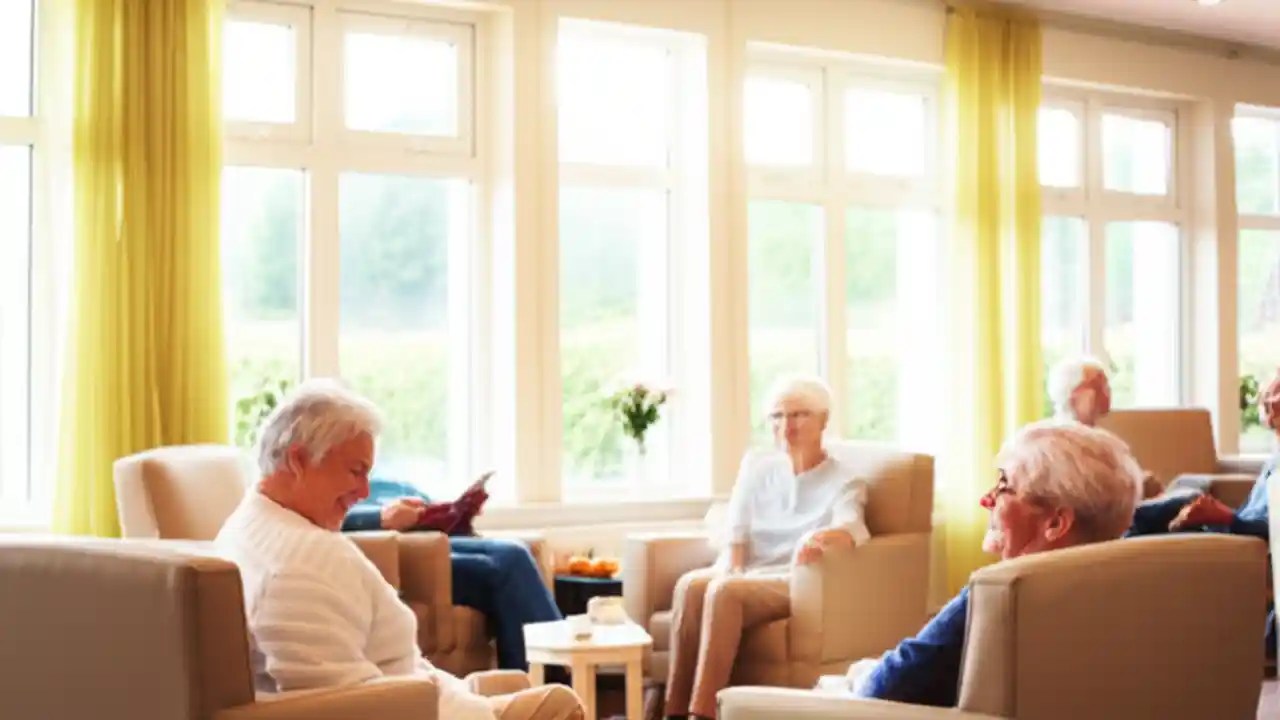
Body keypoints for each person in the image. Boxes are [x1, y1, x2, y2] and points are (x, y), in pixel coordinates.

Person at [216, 380, 583, 720]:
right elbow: (349, 704)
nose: (363, 492)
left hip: (424, 695)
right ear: (297, 461)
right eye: (355, 471)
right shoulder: (301, 562)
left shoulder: (247, 525)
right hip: (422, 711)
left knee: (517, 678)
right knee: (562, 704)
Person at [850, 421, 1143, 706]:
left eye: (1004, 486)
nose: (987, 500)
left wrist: (858, 674)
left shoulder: (1003, 593)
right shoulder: (1143, 583)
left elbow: (885, 688)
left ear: (1055, 522)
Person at [664, 375, 871, 720]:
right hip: (747, 570)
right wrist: (732, 566)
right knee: (692, 584)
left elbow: (852, 527)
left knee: (725, 593)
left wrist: (816, 538)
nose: (786, 426)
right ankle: (672, 711)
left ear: (823, 420)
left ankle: (703, 713)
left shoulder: (845, 478)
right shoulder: (758, 467)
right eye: (777, 417)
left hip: (792, 578)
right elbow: (737, 528)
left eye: (798, 415)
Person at [1124, 370, 1279, 659]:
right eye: (1269, 397)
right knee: (1177, 503)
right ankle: (1114, 537)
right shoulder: (1276, 453)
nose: (1269, 403)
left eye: (1275, 399)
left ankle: (1116, 541)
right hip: (1238, 533)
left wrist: (1228, 519)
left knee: (1185, 498)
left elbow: (1275, 531)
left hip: (1252, 547)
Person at [342, 475, 562, 671]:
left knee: (514, 552)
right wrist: (378, 517)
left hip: (424, 536)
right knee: (497, 570)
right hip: (393, 552)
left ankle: (556, 674)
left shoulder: (379, 475)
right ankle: (553, 685)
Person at [1047, 355, 1161, 499]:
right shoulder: (1059, 441)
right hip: (1107, 514)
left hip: (1123, 507)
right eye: (1098, 386)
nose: (1107, 392)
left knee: (1187, 484)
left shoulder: (1094, 437)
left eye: (1106, 385)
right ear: (1074, 393)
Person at [1047, 355, 1111, 427]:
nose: (1105, 395)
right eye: (1097, 387)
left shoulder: (1097, 435)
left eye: (1106, 387)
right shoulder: (1053, 436)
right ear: (1071, 395)